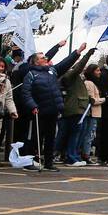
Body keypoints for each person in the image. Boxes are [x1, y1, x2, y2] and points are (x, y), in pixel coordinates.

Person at [20, 44, 88, 172]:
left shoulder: (52, 71)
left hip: (52, 110)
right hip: (38, 111)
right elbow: (26, 93)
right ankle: (29, 162)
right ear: (36, 62)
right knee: (35, 137)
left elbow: (65, 64)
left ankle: (48, 162)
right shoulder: (31, 74)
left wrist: (77, 52)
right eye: (42, 57)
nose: (45, 58)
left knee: (50, 137)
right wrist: (33, 106)